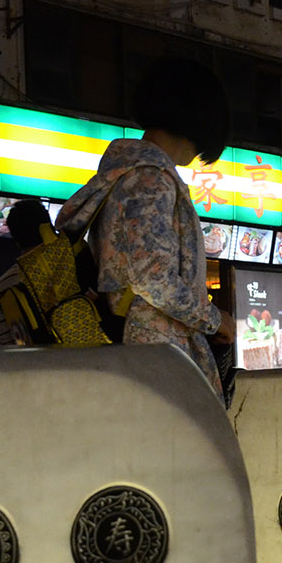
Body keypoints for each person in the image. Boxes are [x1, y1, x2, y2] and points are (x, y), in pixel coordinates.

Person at [56, 58, 236, 398]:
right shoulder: (151, 178)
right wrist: (215, 320)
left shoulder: (125, 173)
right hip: (155, 359)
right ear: (199, 117)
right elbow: (153, 278)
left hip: (134, 352)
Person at [0, 198, 51, 345]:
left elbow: (8, 340)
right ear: (47, 228)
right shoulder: (72, 264)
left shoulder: (2, 285)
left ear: (15, 238)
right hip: (87, 357)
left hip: (35, 364)